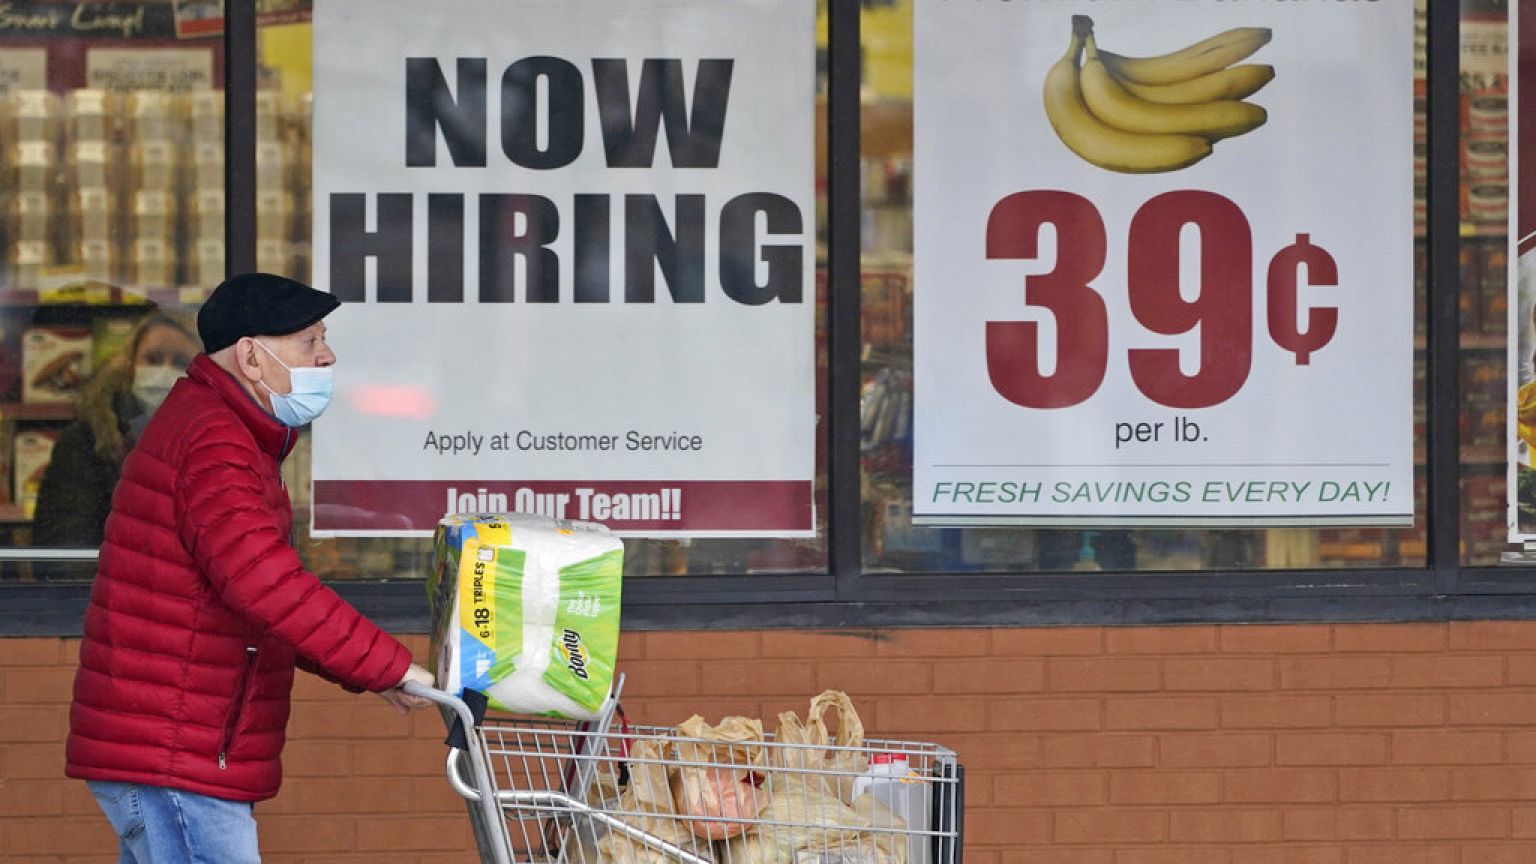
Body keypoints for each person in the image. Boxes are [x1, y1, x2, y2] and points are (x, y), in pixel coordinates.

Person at [66, 272, 436, 864]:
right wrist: (386, 664)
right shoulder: (216, 440)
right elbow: (265, 583)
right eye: (310, 341)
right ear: (252, 357)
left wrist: (377, 674)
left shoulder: (221, 429)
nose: (327, 354)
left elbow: (258, 598)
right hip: (175, 750)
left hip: (174, 744)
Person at [32, 311, 201, 550]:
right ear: (131, 366)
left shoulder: (219, 441)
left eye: (181, 363)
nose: (165, 372)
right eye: (153, 359)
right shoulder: (85, 442)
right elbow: (64, 549)